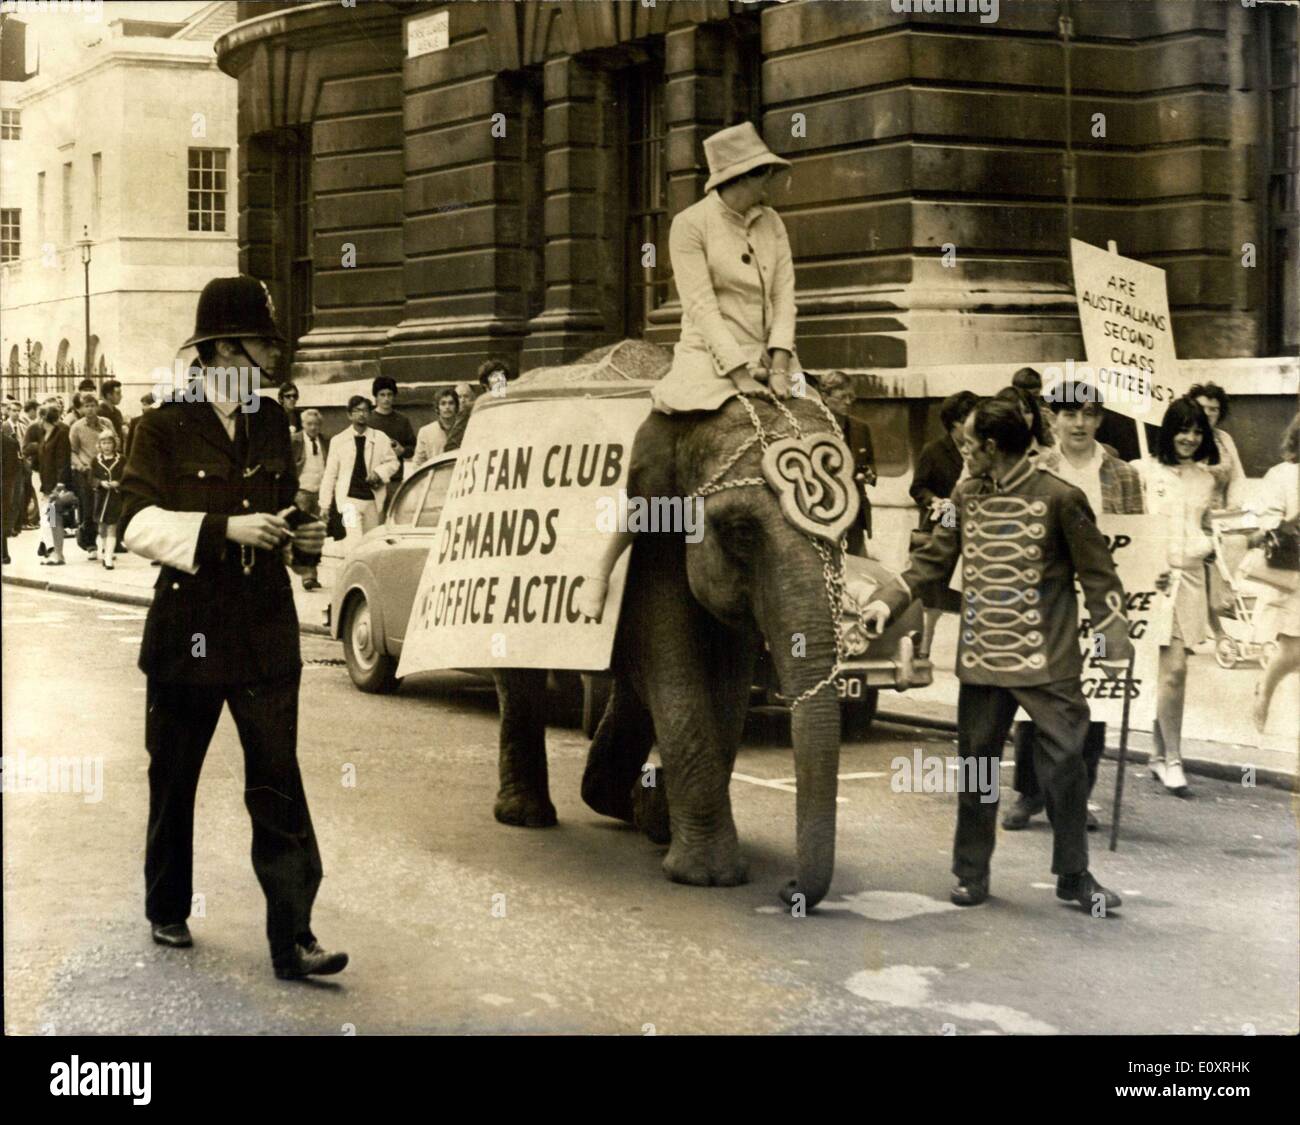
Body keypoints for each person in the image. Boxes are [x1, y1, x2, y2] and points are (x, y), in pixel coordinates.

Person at [119, 273, 347, 980]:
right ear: (219, 350)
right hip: (189, 630)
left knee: (278, 780)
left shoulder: (273, 421)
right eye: (259, 346)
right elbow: (135, 524)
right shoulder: (160, 426)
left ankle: (294, 937)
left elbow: (283, 512)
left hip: (264, 632)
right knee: (175, 776)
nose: (270, 361)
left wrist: (300, 538)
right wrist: (227, 529)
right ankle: (167, 903)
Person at [861, 397, 1132, 914]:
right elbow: (930, 564)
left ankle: (1074, 875)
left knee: (1067, 767)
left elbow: (1099, 575)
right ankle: (970, 871)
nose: (963, 453)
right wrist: (884, 601)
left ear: (990, 447)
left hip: (1048, 660)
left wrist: (1112, 640)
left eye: (969, 445)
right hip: (985, 657)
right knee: (977, 769)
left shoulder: (1061, 498)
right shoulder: (964, 496)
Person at [576, 120, 799, 619]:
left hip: (773, 364)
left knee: (816, 450)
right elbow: (700, 306)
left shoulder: (772, 224)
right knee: (653, 463)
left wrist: (780, 364)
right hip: (708, 363)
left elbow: (785, 296)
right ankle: (603, 564)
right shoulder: (690, 225)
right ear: (744, 176)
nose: (770, 186)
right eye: (766, 176)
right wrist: (740, 375)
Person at [1003, 381, 1145, 832]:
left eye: (1087, 413)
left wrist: (1146, 579)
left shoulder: (1123, 474)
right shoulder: (1034, 468)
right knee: (1036, 695)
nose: (1079, 422)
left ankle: (1077, 797)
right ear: (1053, 419)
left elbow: (1137, 541)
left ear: (1099, 419)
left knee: (1097, 699)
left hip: (1099, 604)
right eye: (1069, 414)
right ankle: (1030, 791)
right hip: (1047, 602)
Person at [1136, 396, 1220, 797]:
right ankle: (1173, 759)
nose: (1189, 437)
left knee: (1174, 673)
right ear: (1168, 430)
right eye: (1183, 429)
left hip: (1191, 582)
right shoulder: (1144, 472)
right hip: (1156, 581)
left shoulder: (1206, 479)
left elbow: (1205, 526)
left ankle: (1157, 754)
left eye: (1197, 430)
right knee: (1174, 673)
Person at [910, 390, 978, 659]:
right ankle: (924, 644)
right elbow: (917, 487)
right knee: (935, 586)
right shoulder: (934, 450)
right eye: (967, 419)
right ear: (954, 423)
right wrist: (934, 500)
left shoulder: (979, 448)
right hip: (945, 516)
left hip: (972, 521)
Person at [1247, 412, 1300, 733]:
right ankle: (1265, 688)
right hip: (1293, 571)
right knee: (1294, 651)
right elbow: (1268, 525)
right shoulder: (1282, 476)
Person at [319, 394, 400, 546]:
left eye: (365, 410)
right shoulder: (339, 440)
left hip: (372, 500)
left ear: (370, 413)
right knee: (353, 541)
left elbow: (393, 463)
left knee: (371, 543)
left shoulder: (380, 437)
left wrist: (379, 473)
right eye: (357, 410)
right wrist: (324, 504)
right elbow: (330, 474)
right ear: (349, 414)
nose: (362, 414)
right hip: (349, 501)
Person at [819, 370, 876, 555]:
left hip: (856, 516)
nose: (849, 402)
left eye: (852, 396)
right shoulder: (814, 430)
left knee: (859, 569)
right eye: (843, 396)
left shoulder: (861, 428)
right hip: (826, 513)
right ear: (825, 397)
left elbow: (871, 465)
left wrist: (869, 474)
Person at [1188, 381, 1245, 510]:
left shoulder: (1224, 439)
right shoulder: (1183, 439)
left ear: (1220, 413)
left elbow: (1237, 478)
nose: (1207, 413)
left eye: (1213, 409)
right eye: (1202, 407)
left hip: (1220, 516)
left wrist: (1234, 504)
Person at [290, 408, 329, 590]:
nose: (313, 427)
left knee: (317, 534)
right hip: (302, 492)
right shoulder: (294, 441)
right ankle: (307, 576)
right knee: (304, 534)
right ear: (303, 424)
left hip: (321, 492)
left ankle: (312, 573)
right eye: (309, 424)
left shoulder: (325, 442)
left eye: (316, 424)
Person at [69, 393, 108, 557]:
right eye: (87, 406)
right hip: (86, 472)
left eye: (93, 405)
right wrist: (81, 466)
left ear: (97, 407)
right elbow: (72, 451)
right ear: (82, 408)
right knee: (88, 508)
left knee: (106, 507)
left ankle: (107, 543)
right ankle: (90, 543)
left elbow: (116, 441)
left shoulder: (106, 423)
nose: (90, 409)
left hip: (104, 469)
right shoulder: (77, 427)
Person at [36, 404, 73, 565]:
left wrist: (59, 484)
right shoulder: (46, 433)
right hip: (47, 484)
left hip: (56, 485)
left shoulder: (60, 433)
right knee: (49, 519)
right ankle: (55, 551)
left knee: (53, 518)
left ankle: (57, 553)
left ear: (43, 417)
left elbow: (63, 460)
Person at [366, 375, 416, 488]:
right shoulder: (368, 420)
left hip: (395, 479)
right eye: (382, 395)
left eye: (389, 394)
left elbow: (412, 448)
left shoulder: (402, 420)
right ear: (376, 397)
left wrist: (402, 450)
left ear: (394, 396)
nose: (386, 399)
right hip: (372, 479)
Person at [90, 429, 124, 570]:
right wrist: (100, 483)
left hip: (115, 497)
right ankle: (105, 551)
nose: (107, 446)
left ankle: (109, 557)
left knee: (112, 525)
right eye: (103, 443)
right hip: (101, 496)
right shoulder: (95, 460)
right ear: (99, 444)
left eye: (109, 442)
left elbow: (127, 475)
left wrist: (119, 483)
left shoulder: (122, 459)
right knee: (102, 526)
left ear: (114, 444)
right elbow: (91, 478)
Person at [413, 387, 460, 469]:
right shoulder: (425, 432)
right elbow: (418, 463)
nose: (447, 407)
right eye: (443, 403)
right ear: (437, 408)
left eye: (451, 403)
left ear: (456, 407)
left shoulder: (464, 429)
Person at [124, 392, 156, 463]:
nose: (144, 407)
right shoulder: (135, 421)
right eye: (143, 405)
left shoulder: (160, 422)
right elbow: (129, 445)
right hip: (138, 460)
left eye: (147, 404)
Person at [99, 379, 126, 447]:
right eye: (118, 393)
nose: (121, 396)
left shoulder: (117, 412)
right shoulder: (100, 412)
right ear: (109, 395)